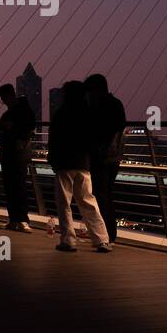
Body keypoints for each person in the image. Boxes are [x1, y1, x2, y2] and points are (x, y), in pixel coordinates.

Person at [47, 80, 112, 253]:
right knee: (88, 201)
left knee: (64, 203)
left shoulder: (61, 113)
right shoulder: (88, 113)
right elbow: (94, 139)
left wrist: (52, 159)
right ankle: (102, 240)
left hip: (64, 163)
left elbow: (54, 139)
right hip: (83, 163)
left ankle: (68, 240)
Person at [84, 73, 126, 243]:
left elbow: (92, 130)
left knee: (99, 195)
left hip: (99, 157)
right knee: (107, 193)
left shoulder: (97, 106)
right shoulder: (116, 104)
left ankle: (103, 234)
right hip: (113, 158)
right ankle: (110, 234)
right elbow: (119, 127)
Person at [0, 83, 36, 232]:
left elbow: (28, 127)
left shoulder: (17, 112)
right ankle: (15, 219)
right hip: (12, 153)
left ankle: (21, 219)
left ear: (9, 95)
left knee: (17, 185)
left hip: (15, 152)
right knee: (12, 186)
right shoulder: (20, 111)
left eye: (3, 98)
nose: (3, 102)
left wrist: (10, 128)